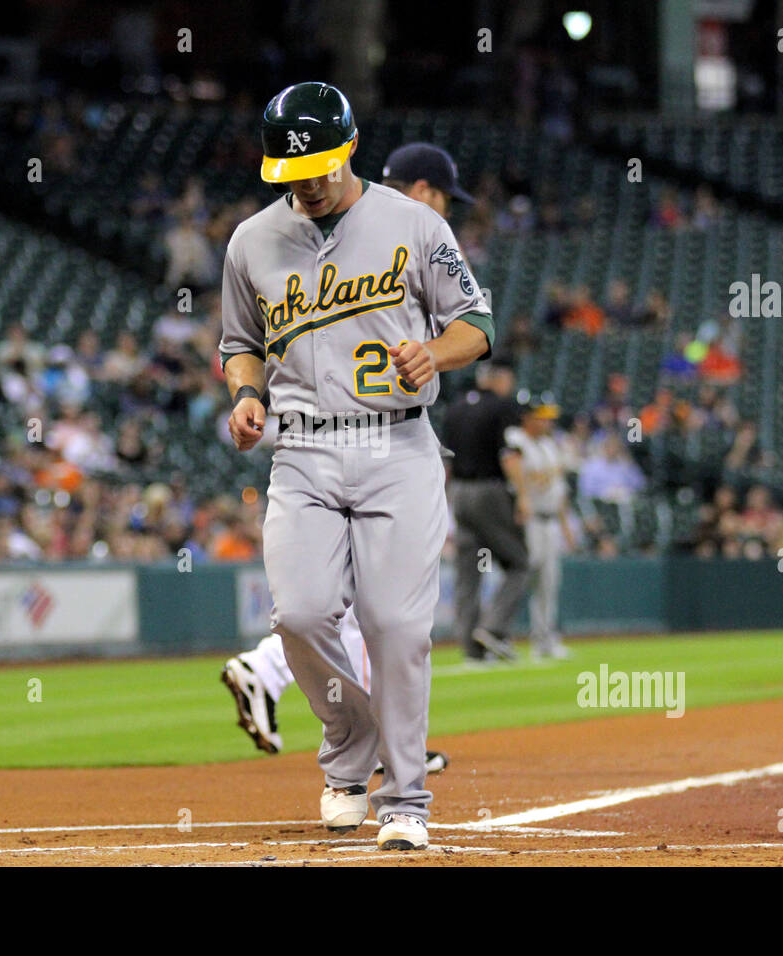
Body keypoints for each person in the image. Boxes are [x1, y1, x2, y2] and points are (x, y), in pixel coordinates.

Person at [219, 84, 492, 851]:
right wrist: (245, 394)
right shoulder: (252, 242)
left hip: (397, 444)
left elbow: (478, 323)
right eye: (290, 168)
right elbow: (239, 341)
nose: (304, 181)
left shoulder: (413, 221)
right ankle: (351, 749)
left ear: (348, 146)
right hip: (302, 447)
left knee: (397, 624)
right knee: (301, 615)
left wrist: (432, 352)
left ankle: (404, 799)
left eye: (316, 165)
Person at [443, 357, 529, 661]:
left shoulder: (454, 408)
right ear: (500, 378)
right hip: (489, 491)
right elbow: (509, 456)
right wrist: (522, 497)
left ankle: (471, 648)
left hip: (459, 493)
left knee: (467, 574)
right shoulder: (502, 407)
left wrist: (446, 502)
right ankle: (493, 628)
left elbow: (446, 463)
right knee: (520, 563)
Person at [504, 399, 574, 659]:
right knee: (519, 578)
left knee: (548, 582)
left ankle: (544, 639)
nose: (547, 422)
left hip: (550, 520)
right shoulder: (515, 439)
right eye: (542, 417)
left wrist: (566, 526)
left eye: (549, 417)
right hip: (527, 520)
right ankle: (501, 636)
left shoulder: (548, 444)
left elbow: (559, 489)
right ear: (528, 417)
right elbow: (520, 475)